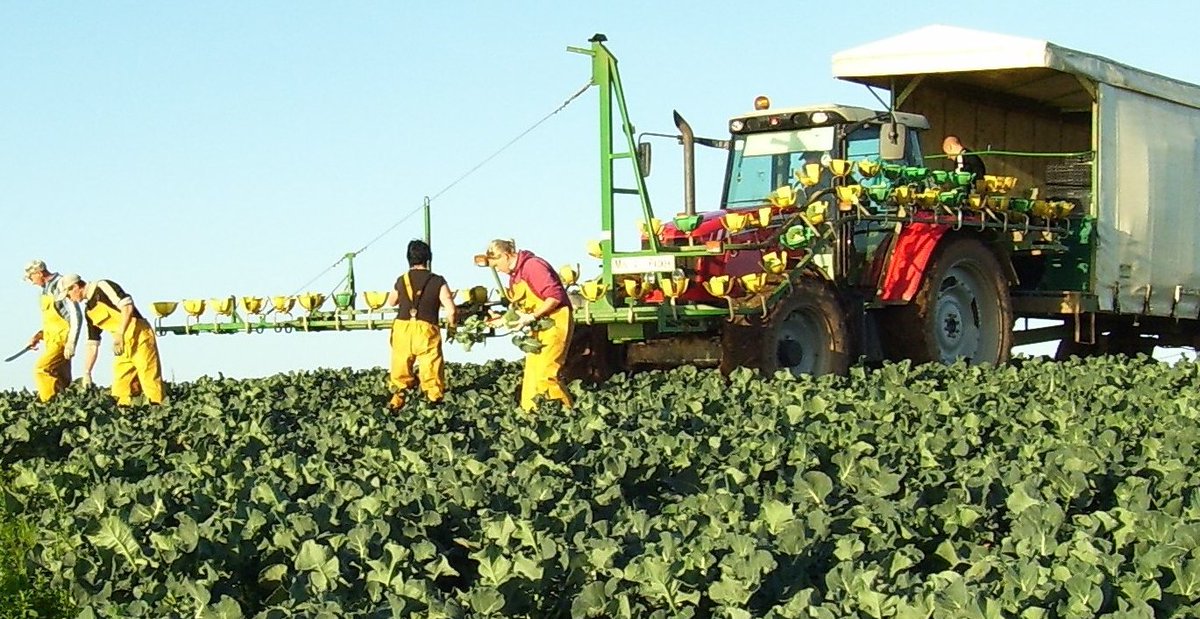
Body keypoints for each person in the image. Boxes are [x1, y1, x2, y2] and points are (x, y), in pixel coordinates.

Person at [475, 239, 573, 411]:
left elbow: (555, 297)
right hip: (539, 328)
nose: (497, 269)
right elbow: (520, 309)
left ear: (505, 256)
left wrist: (532, 316)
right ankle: (532, 416)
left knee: (546, 374)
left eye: (497, 264)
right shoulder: (515, 277)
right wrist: (502, 320)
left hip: (555, 322)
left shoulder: (532, 266)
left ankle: (565, 415)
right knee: (532, 378)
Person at [56, 274, 165, 405]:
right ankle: (126, 417)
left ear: (75, 287)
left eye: (68, 295)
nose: (71, 299)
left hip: (140, 336)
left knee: (149, 378)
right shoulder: (89, 311)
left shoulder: (103, 287)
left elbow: (127, 306)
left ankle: (159, 410)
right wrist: (87, 372)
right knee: (120, 385)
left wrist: (120, 333)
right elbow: (92, 344)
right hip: (122, 346)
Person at [385, 240, 457, 410]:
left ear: (408, 259)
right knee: (431, 367)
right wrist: (452, 327)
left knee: (400, 366)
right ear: (428, 259)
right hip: (426, 330)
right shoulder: (437, 281)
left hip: (402, 329)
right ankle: (433, 403)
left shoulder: (401, 280)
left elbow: (391, 302)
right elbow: (451, 310)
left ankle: (397, 402)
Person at [23, 260, 83, 401]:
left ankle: (48, 405)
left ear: (39, 273)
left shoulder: (61, 285)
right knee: (61, 379)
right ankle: (63, 410)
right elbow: (53, 321)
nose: (32, 282)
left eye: (31, 277)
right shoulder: (45, 290)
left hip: (61, 341)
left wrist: (71, 342)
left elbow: (75, 315)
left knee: (41, 370)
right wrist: (39, 335)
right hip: (51, 340)